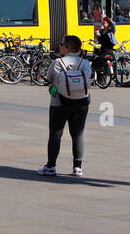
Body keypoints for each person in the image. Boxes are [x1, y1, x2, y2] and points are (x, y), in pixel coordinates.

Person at [38, 34, 92, 177]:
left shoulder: (57, 62)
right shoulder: (85, 63)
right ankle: (77, 168)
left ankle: (51, 167)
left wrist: (53, 91)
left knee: (55, 134)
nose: (59, 46)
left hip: (59, 103)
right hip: (81, 103)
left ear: (68, 48)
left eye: (62, 44)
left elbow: (50, 81)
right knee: (78, 134)